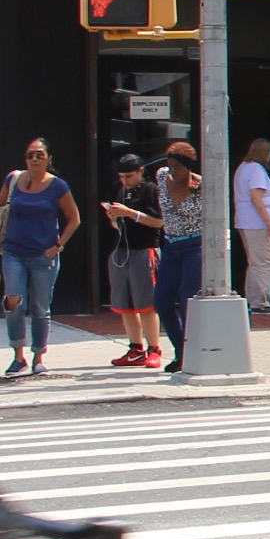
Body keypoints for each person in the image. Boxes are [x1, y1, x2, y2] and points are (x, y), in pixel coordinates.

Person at [0, 137, 80, 376]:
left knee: (40, 307)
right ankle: (18, 355)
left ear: (49, 158)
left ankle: (38, 356)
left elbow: (74, 218)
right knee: (14, 301)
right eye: (30, 154)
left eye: (39, 155)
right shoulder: (13, 179)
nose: (34, 159)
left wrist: (58, 245)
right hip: (13, 251)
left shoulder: (58, 186)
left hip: (44, 255)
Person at [101, 149, 166, 368]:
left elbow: (158, 222)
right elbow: (119, 224)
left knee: (146, 304)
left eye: (129, 176)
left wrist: (131, 213)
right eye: (121, 177)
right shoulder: (120, 191)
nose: (125, 181)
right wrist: (114, 217)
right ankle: (135, 348)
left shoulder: (151, 190)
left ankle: (154, 348)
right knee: (124, 304)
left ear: (140, 172)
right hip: (122, 249)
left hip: (144, 249)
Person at [153, 141, 205, 371]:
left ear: (188, 167)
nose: (172, 170)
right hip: (171, 244)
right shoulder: (162, 176)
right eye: (170, 164)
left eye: (177, 167)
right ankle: (180, 350)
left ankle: (192, 354)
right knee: (162, 301)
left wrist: (196, 191)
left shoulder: (198, 185)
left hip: (194, 245)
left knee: (187, 303)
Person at [233, 137, 270, 314]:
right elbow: (256, 197)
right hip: (258, 224)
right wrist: (269, 222)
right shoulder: (256, 169)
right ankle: (260, 303)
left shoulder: (244, 168)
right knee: (265, 262)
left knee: (255, 263)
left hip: (248, 222)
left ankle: (251, 300)